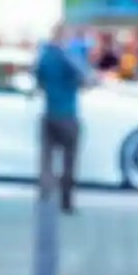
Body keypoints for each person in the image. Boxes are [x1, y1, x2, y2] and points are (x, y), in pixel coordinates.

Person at [34, 24, 90, 214]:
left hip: (49, 112)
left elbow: (38, 79)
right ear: (64, 35)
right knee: (69, 161)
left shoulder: (45, 56)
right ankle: (66, 202)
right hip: (68, 114)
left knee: (46, 159)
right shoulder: (69, 57)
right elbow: (85, 77)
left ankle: (45, 197)